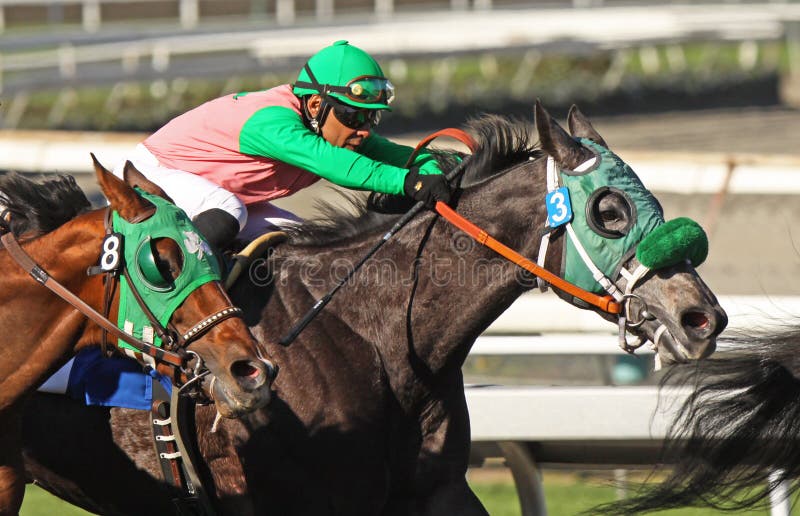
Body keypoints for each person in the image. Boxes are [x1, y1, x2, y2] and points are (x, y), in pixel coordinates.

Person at [113, 39, 452, 251]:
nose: (362, 130)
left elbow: (395, 154)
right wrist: (409, 182)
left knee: (304, 241)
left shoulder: (327, 125)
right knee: (230, 208)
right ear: (317, 105)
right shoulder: (274, 123)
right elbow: (334, 166)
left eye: (370, 119)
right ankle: (170, 306)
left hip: (212, 191)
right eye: (354, 117)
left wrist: (436, 167)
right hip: (149, 177)